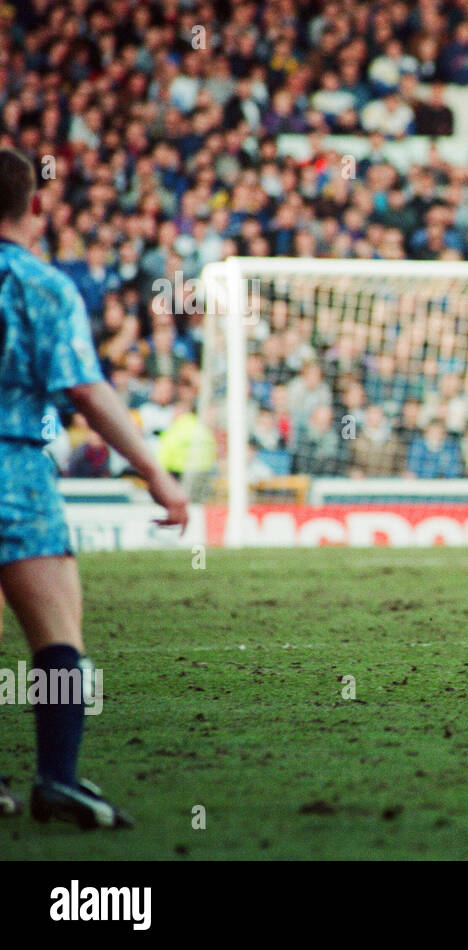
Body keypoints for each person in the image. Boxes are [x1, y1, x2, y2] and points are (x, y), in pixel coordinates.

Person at [0, 147, 189, 828]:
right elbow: (86, 390)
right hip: (13, 466)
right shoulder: (41, 285)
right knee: (56, 632)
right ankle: (57, 778)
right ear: (37, 206)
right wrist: (157, 472)